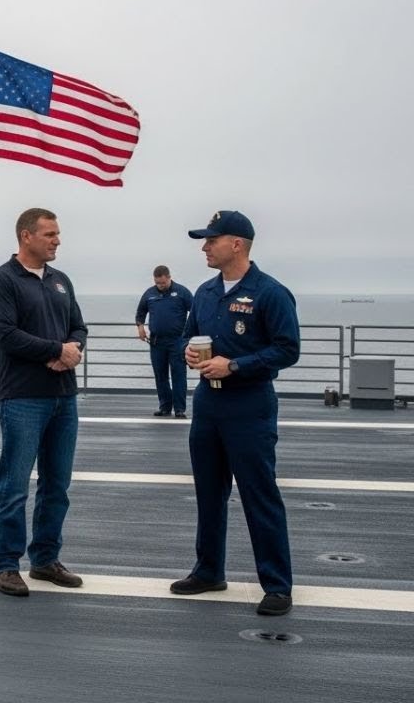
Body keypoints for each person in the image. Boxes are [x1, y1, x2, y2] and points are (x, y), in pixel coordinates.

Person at [170, 211, 300, 617]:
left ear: (237, 244)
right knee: (209, 493)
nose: (205, 247)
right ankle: (209, 570)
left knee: (259, 494)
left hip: (249, 404)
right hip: (208, 403)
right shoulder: (206, 293)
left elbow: (287, 349)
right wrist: (188, 352)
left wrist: (236, 365)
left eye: (211, 240)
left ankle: (277, 585)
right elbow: (187, 337)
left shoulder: (270, 293)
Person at [0, 208, 88, 597]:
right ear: (26, 236)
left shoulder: (61, 281)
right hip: (24, 398)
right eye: (49, 234)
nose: (57, 240)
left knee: (57, 484)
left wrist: (71, 348)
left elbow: (79, 325)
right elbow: (7, 334)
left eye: (57, 234)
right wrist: (55, 350)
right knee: (14, 484)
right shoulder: (2, 281)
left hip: (64, 398)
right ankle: (6, 564)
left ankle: (45, 559)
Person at [135, 265, 193, 418]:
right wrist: (140, 327)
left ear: (169, 277)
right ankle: (165, 406)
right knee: (160, 375)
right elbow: (140, 312)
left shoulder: (182, 292)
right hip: (156, 342)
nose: (160, 286)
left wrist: (191, 333)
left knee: (178, 375)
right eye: (157, 283)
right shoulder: (149, 293)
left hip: (177, 342)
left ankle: (180, 409)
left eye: (162, 283)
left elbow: (195, 311)